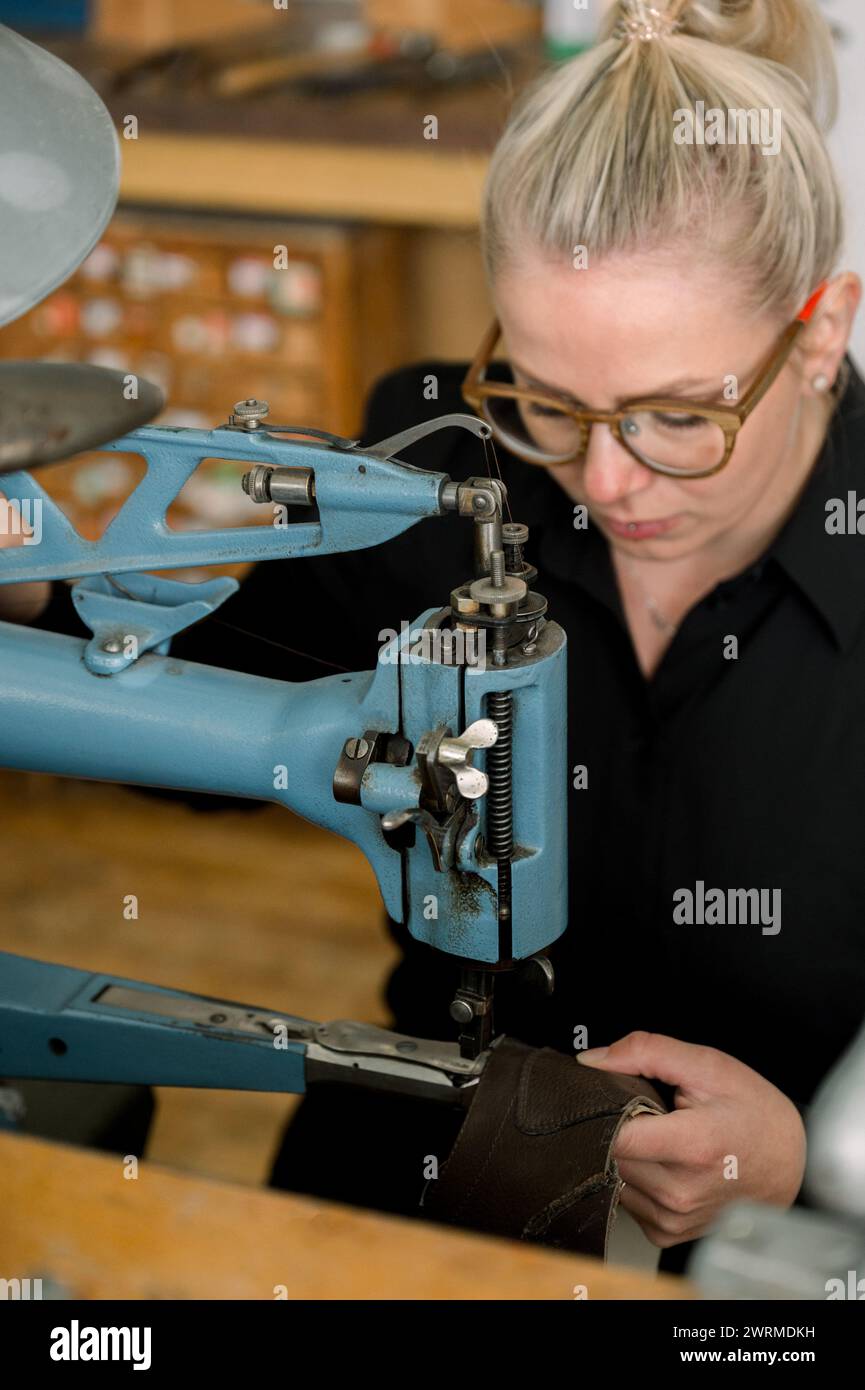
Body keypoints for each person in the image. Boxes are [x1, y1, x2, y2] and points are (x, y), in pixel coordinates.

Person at [2, 0, 863, 1275]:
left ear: (818, 332)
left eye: (677, 416)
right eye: (547, 400)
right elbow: (220, 702)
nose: (606, 482)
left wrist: (802, 1164)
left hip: (781, 1233)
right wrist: (29, 595)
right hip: (430, 1142)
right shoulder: (447, 461)